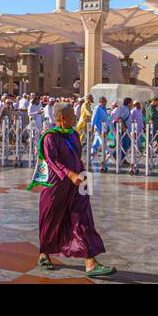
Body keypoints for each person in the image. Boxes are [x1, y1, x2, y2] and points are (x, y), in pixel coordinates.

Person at [29, 101, 114, 277]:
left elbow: (76, 157)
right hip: (56, 186)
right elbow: (53, 161)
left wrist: (82, 175)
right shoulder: (49, 137)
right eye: (73, 116)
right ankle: (44, 253)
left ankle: (91, 263)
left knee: (83, 218)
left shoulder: (74, 134)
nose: (77, 117)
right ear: (62, 118)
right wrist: (70, 174)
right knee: (51, 220)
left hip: (77, 183)